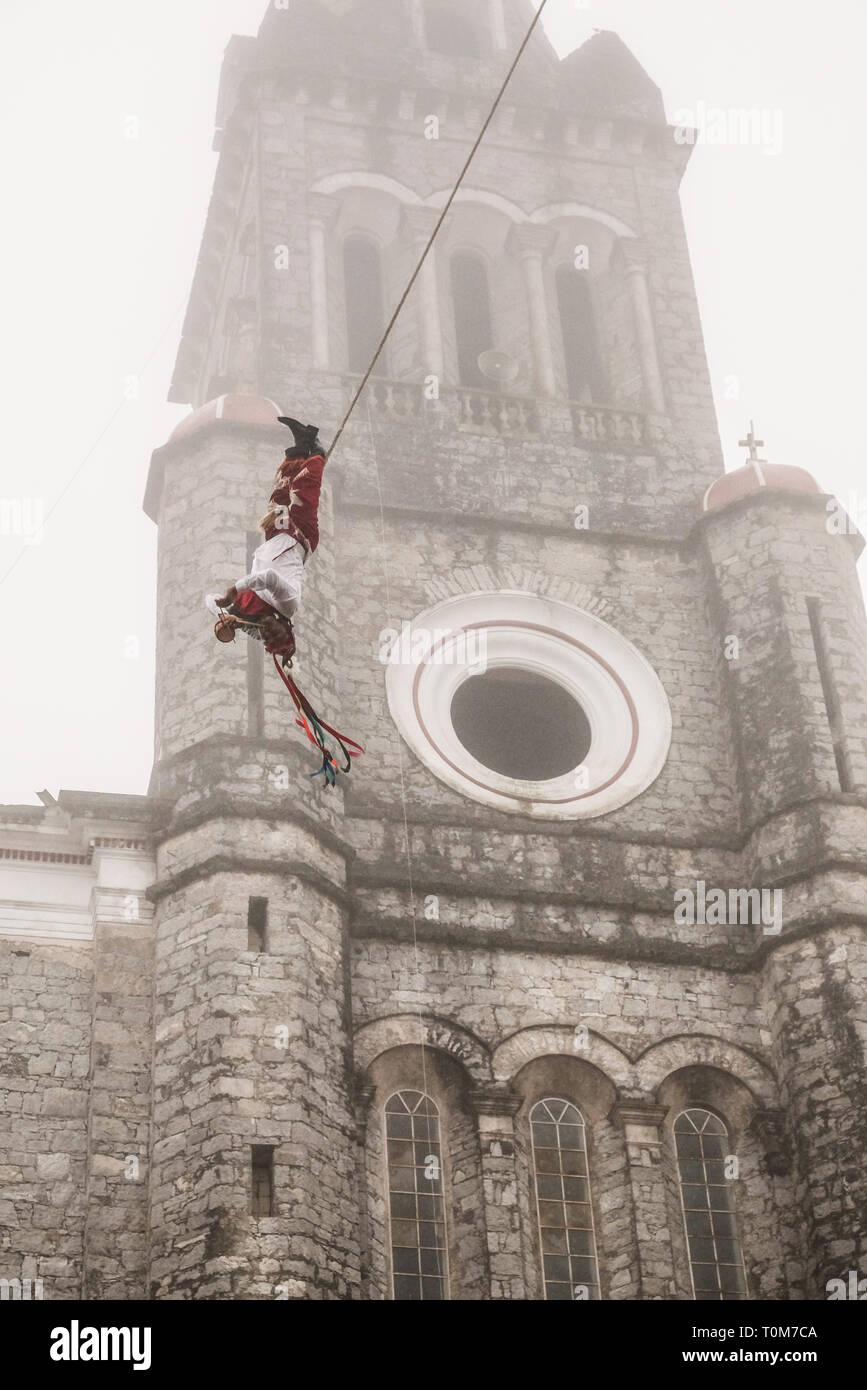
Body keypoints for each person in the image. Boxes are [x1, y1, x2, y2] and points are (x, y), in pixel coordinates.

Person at [206, 416, 326, 657]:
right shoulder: (288, 605)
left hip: (276, 536)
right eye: (277, 634)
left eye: (268, 638)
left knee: (281, 490)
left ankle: (302, 442)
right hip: (300, 536)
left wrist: (224, 616)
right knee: (304, 487)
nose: (270, 633)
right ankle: (318, 452)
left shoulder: (245, 615)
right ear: (285, 628)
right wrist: (236, 589)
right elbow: (269, 577)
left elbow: (209, 599)